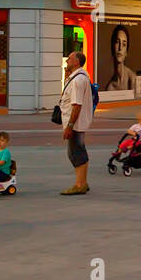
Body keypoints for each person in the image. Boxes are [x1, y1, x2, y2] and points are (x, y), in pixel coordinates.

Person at [59, 50, 94, 195]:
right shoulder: (78, 78)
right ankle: (83, 183)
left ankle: (79, 184)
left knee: (75, 153)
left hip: (75, 123)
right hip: (77, 123)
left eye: (70, 58)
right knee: (78, 150)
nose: (67, 60)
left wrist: (70, 126)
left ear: (77, 62)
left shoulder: (78, 80)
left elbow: (77, 104)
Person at [102, 23, 137, 92]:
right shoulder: (110, 87)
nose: (120, 48)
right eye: (117, 42)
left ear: (126, 52)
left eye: (124, 44)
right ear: (112, 47)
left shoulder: (132, 78)